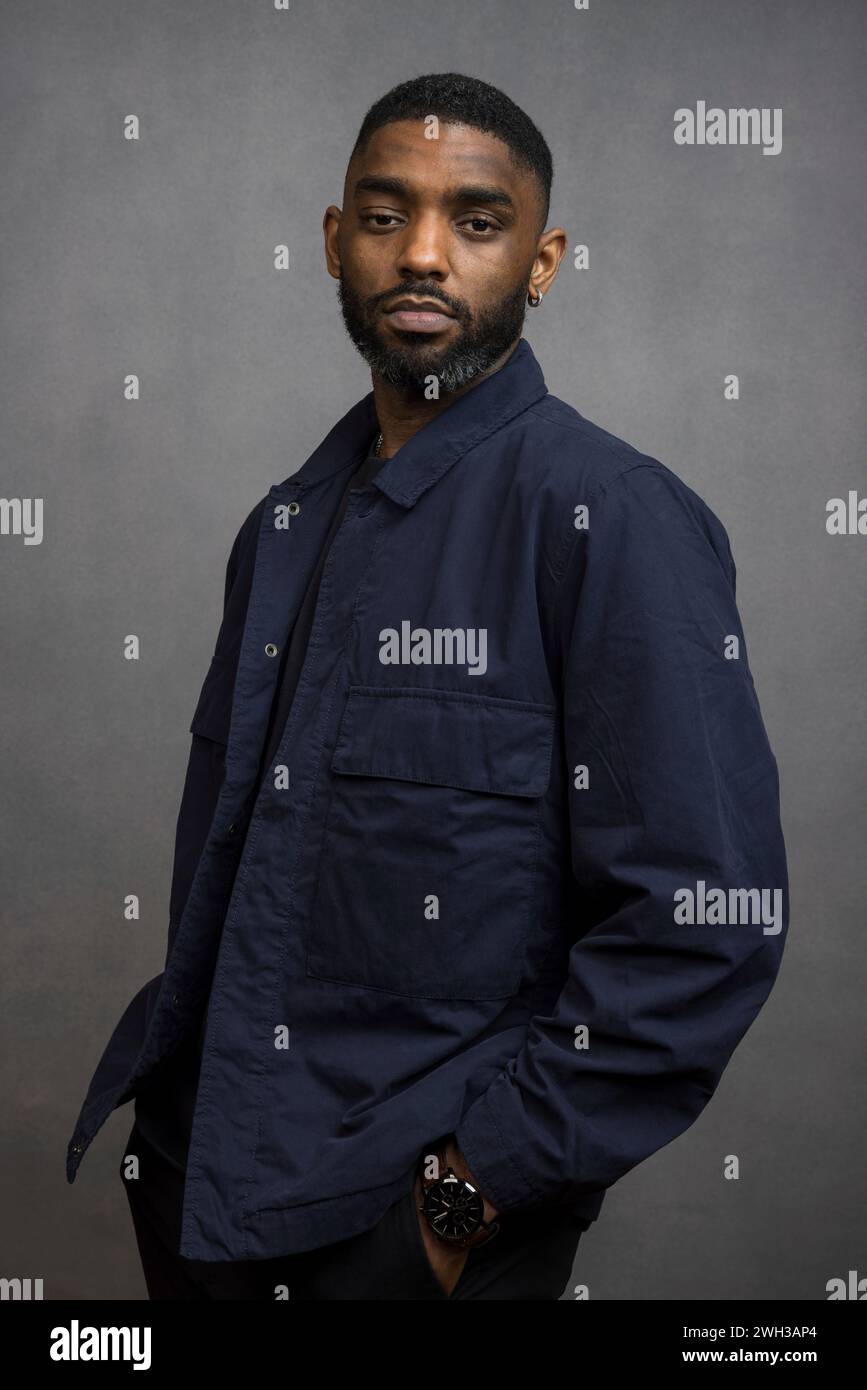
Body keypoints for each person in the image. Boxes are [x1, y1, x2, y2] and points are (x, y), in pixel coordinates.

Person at [68, 72, 788, 1301]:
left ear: (544, 258)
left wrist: (462, 1202)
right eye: (388, 214)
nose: (426, 255)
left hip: (401, 1235)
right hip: (200, 1193)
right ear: (334, 239)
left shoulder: (611, 521)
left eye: (479, 221)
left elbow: (702, 928)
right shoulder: (284, 526)